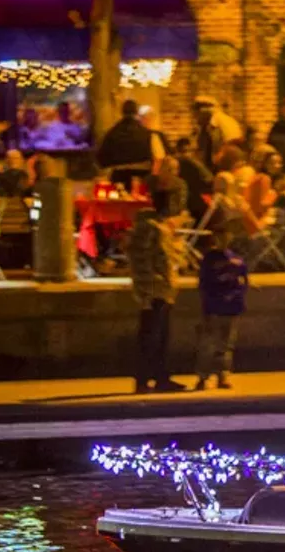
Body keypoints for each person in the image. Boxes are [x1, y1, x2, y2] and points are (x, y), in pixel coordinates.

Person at [127, 188, 186, 394]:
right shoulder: (149, 227)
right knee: (150, 336)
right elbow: (140, 258)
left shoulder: (163, 227)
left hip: (164, 289)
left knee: (162, 337)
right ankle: (143, 379)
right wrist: (148, 286)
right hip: (154, 290)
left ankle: (161, 377)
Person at [194, 226, 248, 391]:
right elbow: (204, 284)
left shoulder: (237, 259)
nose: (223, 240)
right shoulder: (209, 260)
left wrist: (237, 295)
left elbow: (244, 281)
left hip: (232, 306)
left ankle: (223, 374)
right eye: (220, 237)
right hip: (214, 306)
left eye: (226, 236)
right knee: (208, 343)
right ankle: (203, 376)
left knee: (226, 344)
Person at [97, 99, 166, 182]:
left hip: (119, 176)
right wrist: (154, 176)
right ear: (136, 112)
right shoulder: (148, 134)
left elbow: (101, 157)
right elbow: (159, 156)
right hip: (143, 176)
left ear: (122, 112)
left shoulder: (112, 133)